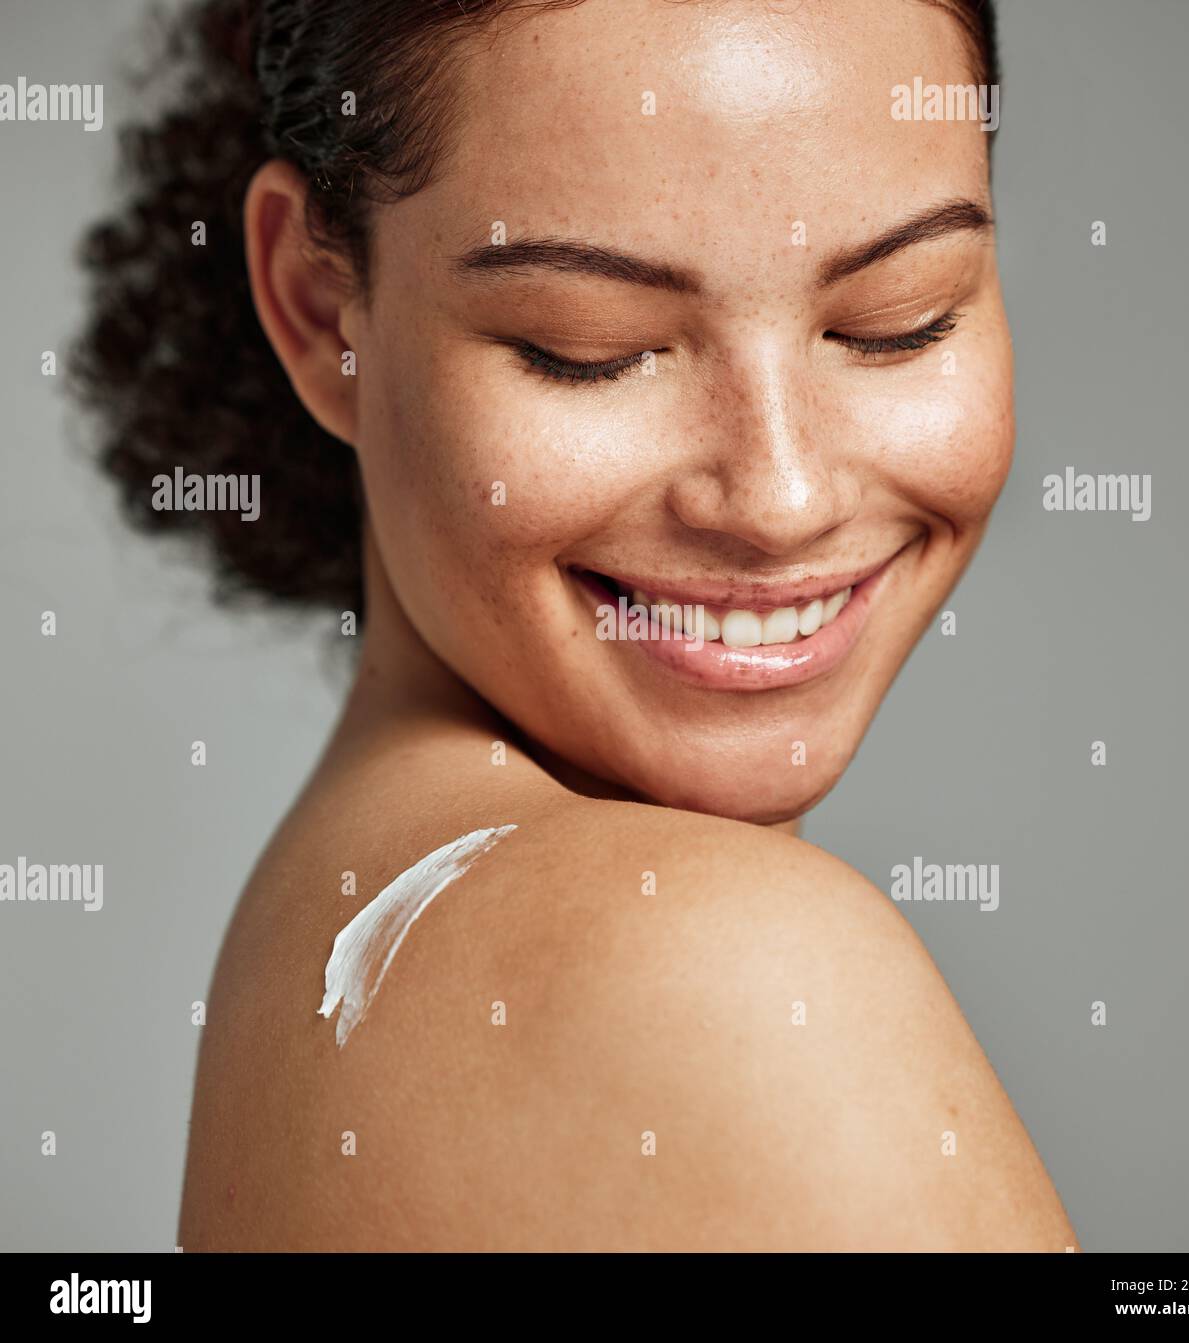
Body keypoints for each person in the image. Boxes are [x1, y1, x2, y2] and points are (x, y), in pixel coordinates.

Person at [75, 0, 1076, 1250]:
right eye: (589, 350)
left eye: (898, 318)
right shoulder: (710, 962)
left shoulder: (340, 917)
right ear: (323, 307)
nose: (779, 498)